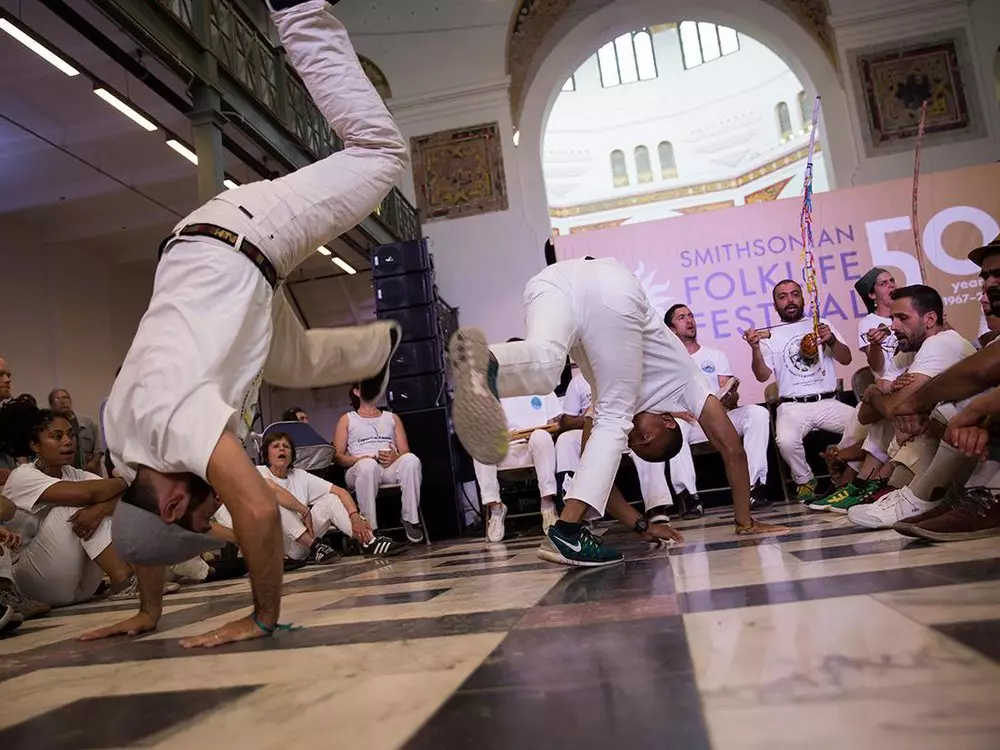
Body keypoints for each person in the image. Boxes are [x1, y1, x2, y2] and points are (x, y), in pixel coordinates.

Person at [79, 0, 407, 649]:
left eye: (200, 514)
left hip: (242, 240)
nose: (213, 510)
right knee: (294, 363)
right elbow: (142, 522)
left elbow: (255, 510)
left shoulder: (175, 430)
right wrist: (149, 613)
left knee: (380, 153)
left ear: (175, 501)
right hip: (221, 276)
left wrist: (260, 616)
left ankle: (299, 10)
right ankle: (382, 346)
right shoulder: (126, 444)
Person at [449, 257, 787, 568]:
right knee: (614, 420)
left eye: (636, 444)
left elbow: (594, 472)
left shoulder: (608, 395)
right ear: (669, 420)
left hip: (552, 283)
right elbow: (731, 448)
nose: (633, 437)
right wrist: (745, 520)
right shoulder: (686, 381)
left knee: (546, 367)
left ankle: (488, 365)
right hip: (614, 290)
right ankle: (566, 532)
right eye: (645, 436)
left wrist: (641, 525)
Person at [0, 397, 150, 606]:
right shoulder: (22, 476)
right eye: (57, 436)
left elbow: (131, 497)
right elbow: (87, 494)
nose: (68, 441)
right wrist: (126, 479)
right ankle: (125, 580)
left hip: (79, 585)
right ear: (35, 445)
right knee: (75, 506)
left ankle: (129, 579)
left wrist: (100, 509)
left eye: (71, 435)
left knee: (100, 509)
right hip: (32, 581)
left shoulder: (73, 473)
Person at [744, 279, 855, 502]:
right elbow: (762, 375)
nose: (790, 300)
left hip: (828, 402)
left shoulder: (821, 324)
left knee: (865, 424)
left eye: (795, 294)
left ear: (803, 299)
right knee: (785, 440)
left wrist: (831, 340)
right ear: (775, 305)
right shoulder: (770, 335)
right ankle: (805, 480)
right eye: (782, 297)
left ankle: (846, 473)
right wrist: (755, 348)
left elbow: (846, 358)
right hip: (793, 406)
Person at [214, 431, 404, 558]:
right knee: (271, 502)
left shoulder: (300, 475)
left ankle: (369, 541)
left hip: (301, 546)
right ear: (266, 454)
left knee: (330, 499)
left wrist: (355, 517)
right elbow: (272, 490)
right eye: (276, 446)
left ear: (291, 454)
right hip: (274, 547)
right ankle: (316, 547)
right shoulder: (257, 471)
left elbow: (340, 491)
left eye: (286, 446)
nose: (282, 449)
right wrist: (303, 510)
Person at [665, 304, 771, 509]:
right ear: (671, 330)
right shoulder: (667, 362)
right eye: (681, 318)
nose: (689, 321)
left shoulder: (715, 355)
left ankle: (755, 486)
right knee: (674, 429)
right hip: (691, 423)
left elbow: (728, 390)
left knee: (757, 413)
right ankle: (689, 497)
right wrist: (676, 412)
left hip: (720, 417)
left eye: (690, 316)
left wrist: (730, 395)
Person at [556, 366, 675, 526]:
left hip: (621, 425)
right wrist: (585, 419)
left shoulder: (647, 377)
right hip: (606, 424)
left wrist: (640, 526)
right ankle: (575, 513)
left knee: (650, 444)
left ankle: (657, 504)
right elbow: (569, 422)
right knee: (566, 440)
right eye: (644, 437)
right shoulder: (584, 381)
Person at [333, 384, 424, 543]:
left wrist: (396, 458)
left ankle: (411, 519)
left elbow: (405, 450)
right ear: (357, 392)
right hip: (359, 469)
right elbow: (337, 457)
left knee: (411, 460)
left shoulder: (392, 417)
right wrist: (358, 460)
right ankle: (370, 529)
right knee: (368, 466)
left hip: (388, 468)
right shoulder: (347, 419)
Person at [476, 386, 562, 542]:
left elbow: (554, 425)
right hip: (505, 449)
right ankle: (496, 509)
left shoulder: (543, 385)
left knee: (541, 436)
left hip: (534, 448)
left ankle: (548, 505)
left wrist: (541, 431)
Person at [49, 389, 103, 475]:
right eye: (57, 399)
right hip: (62, 473)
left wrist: (93, 464)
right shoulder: (49, 426)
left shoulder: (87, 422)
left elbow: (99, 447)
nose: (63, 401)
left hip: (89, 472)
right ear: (51, 405)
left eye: (65, 397)